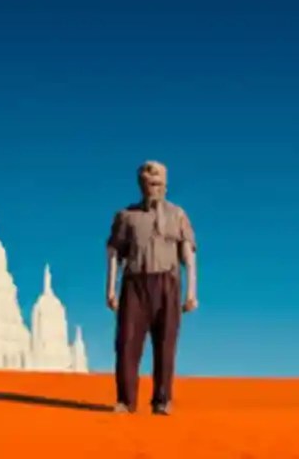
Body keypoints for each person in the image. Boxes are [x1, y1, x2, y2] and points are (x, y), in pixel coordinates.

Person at [105, 160, 198, 415]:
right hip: (135, 283)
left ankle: (162, 400)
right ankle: (125, 401)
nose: (153, 188)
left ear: (166, 186)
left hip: (167, 283)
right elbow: (114, 253)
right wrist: (110, 289)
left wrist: (192, 292)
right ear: (140, 185)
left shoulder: (178, 214)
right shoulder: (126, 216)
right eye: (148, 183)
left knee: (166, 344)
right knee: (127, 343)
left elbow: (188, 254)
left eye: (158, 184)